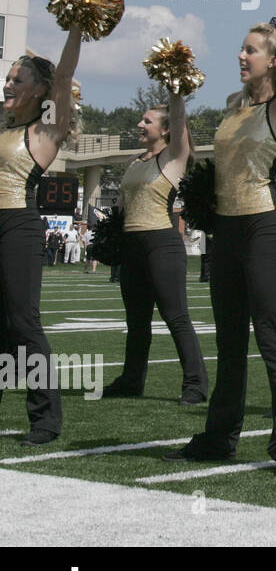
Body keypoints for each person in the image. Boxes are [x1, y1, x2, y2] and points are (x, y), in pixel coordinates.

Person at [165, 13, 276, 477]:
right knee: (230, 342)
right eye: (241, 48)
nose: (241, 55)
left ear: (274, 60)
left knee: (271, 337)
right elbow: (196, 159)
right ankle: (219, 439)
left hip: (264, 228)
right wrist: (176, 95)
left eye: (251, 49)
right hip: (227, 231)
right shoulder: (233, 110)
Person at [0, 33, 84, 446]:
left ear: (39, 92)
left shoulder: (44, 130)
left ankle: (46, 419)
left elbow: (65, 75)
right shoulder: (3, 126)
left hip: (17, 224)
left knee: (22, 321)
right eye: (8, 78)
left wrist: (78, 25)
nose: (8, 84)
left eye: (18, 80)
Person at [101, 91, 209, 405]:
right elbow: (123, 204)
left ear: (165, 130)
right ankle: (132, 380)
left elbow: (179, 119)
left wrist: (176, 90)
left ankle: (195, 384)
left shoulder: (173, 159)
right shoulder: (136, 160)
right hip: (132, 245)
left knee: (176, 317)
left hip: (161, 244)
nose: (139, 124)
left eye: (147, 121)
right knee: (136, 321)